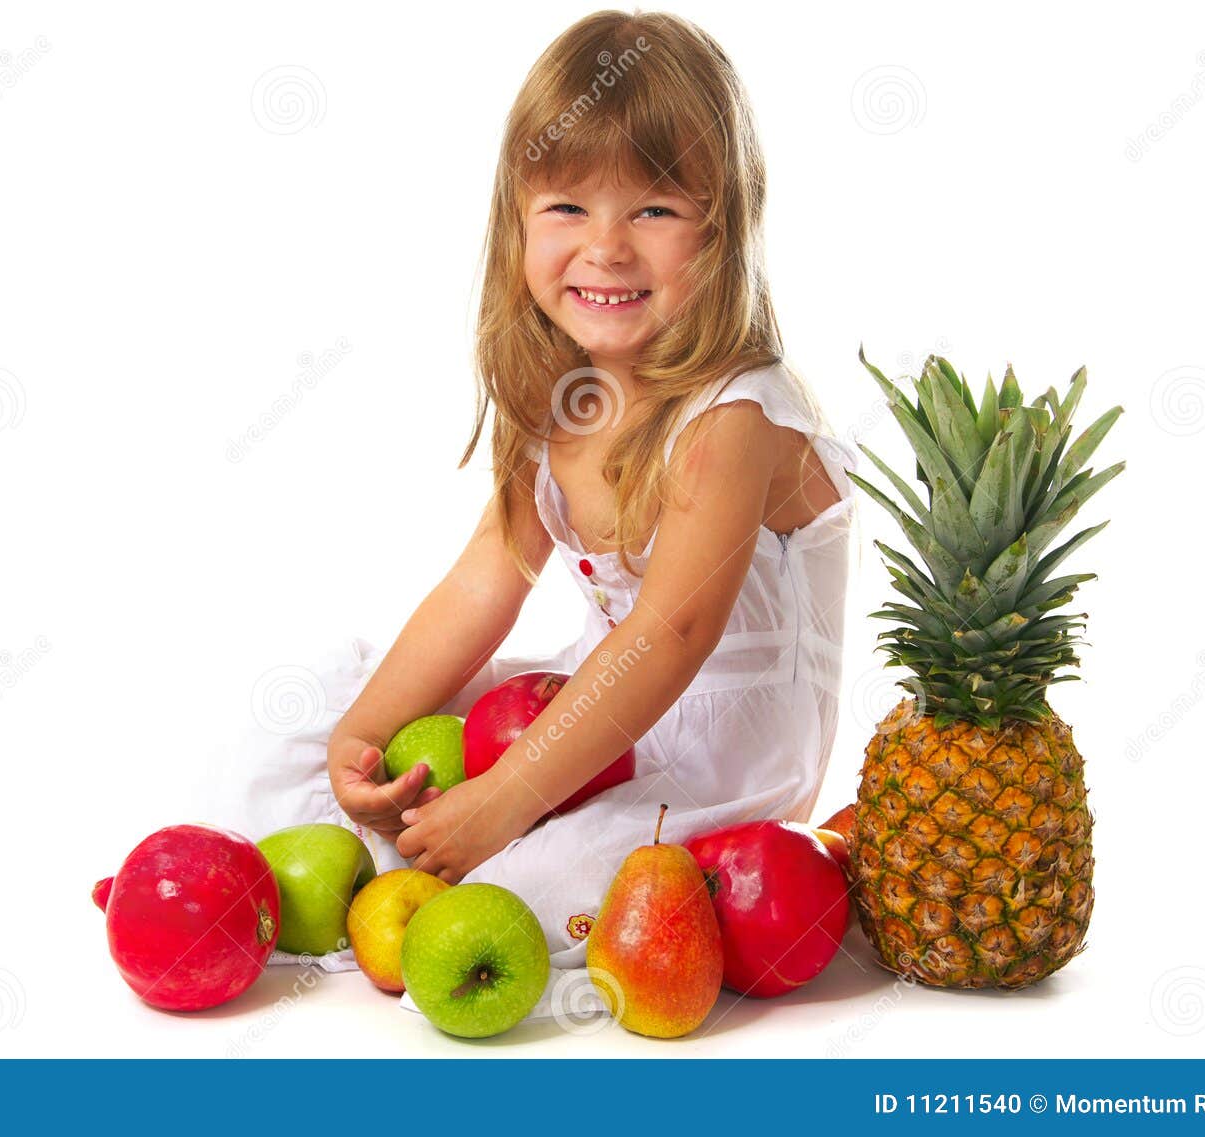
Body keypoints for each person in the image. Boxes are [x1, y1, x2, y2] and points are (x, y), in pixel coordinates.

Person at [219, 9, 857, 966]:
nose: (606, 247)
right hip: (590, 706)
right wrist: (364, 734)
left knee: (529, 887)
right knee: (309, 716)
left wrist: (509, 794)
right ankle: (330, 871)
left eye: (654, 210)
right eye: (567, 208)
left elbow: (667, 634)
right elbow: (490, 575)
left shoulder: (738, 415)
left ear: (722, 231)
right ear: (515, 220)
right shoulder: (563, 393)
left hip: (728, 754)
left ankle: (444, 892)